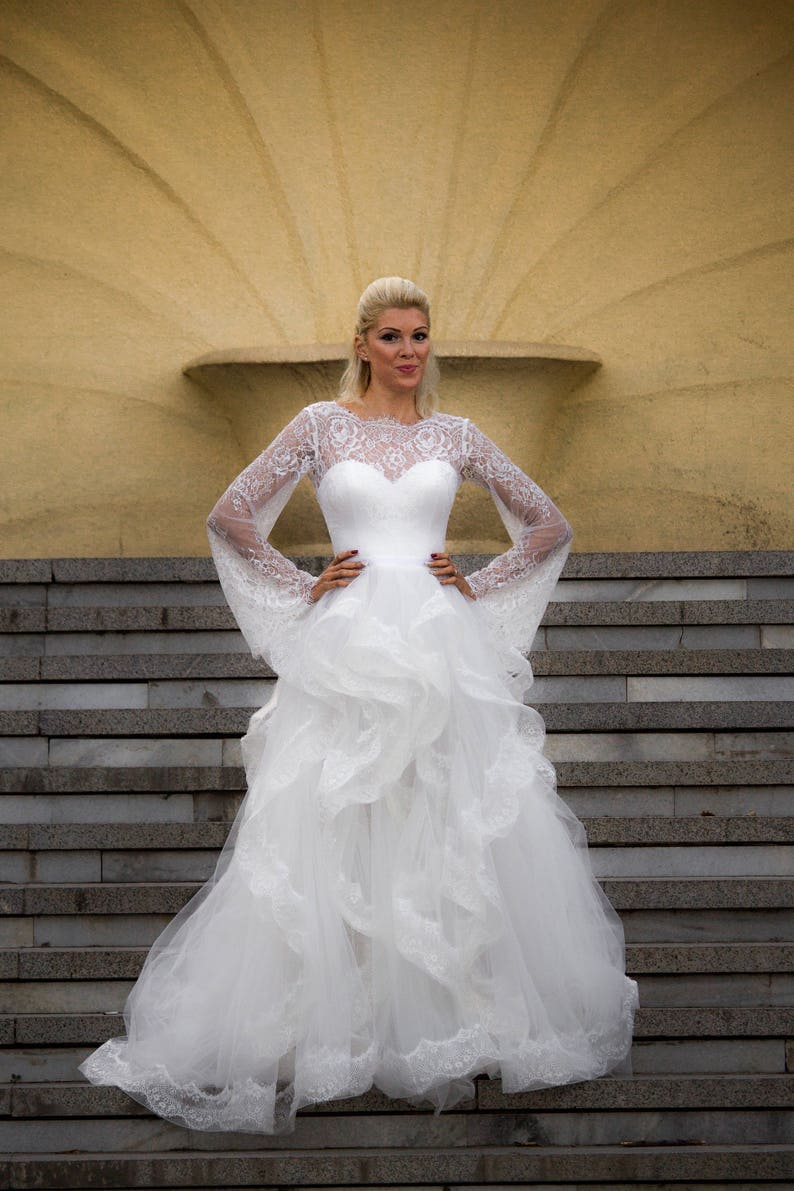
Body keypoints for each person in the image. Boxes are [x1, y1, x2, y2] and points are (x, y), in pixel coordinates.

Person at [78, 276, 639, 1134]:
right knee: (334, 815)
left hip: (438, 642)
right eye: (393, 337)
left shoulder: (458, 434)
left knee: (444, 816)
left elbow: (548, 524)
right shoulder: (319, 424)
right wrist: (300, 581)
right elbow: (231, 515)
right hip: (347, 647)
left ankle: (449, 1010)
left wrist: (475, 581)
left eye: (420, 336)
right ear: (363, 344)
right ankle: (334, 1020)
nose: (410, 351)